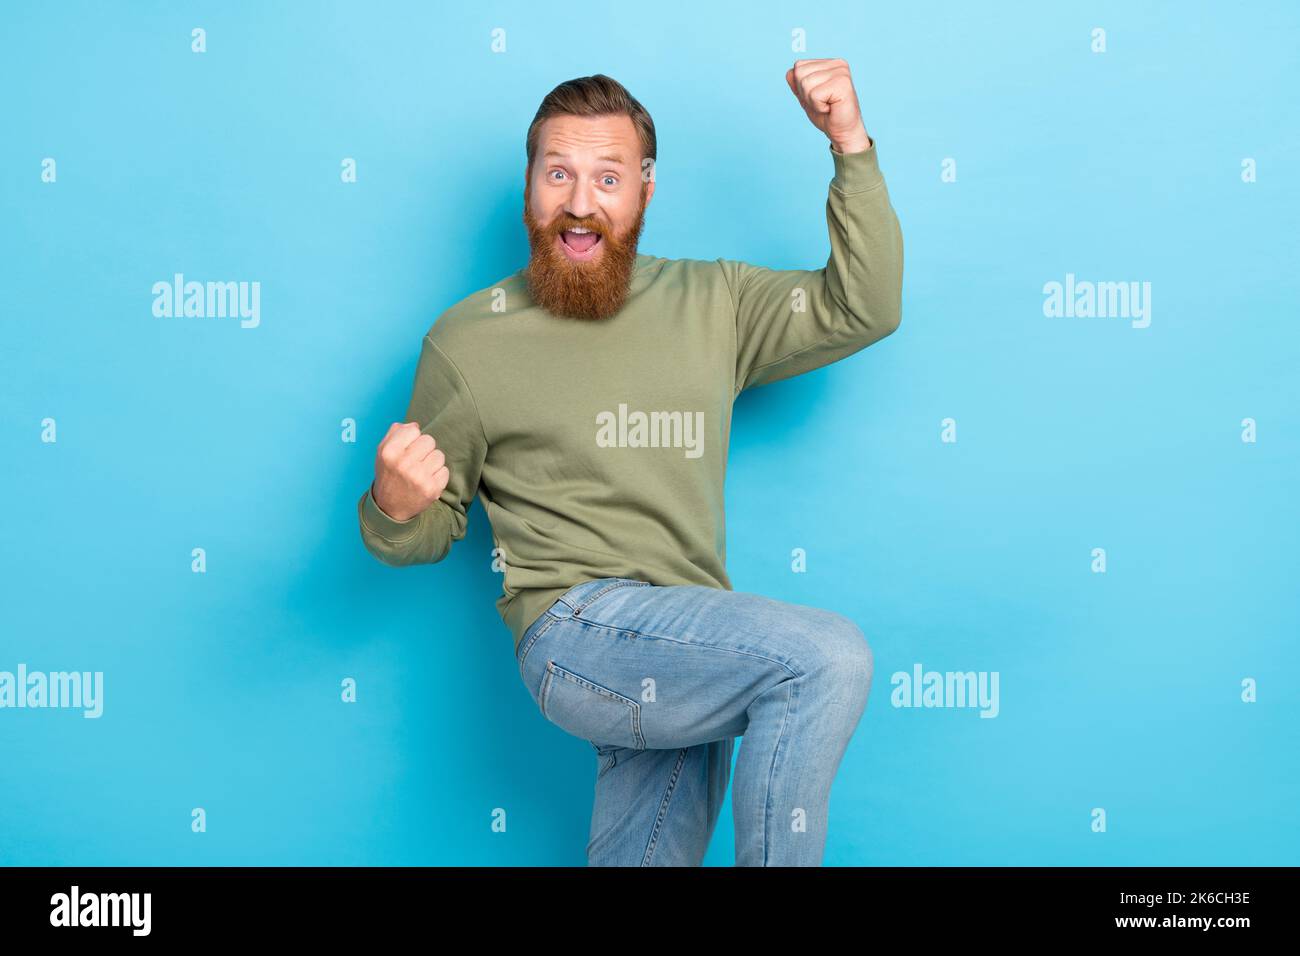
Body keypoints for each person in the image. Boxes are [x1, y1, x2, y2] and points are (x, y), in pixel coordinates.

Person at [357, 59, 904, 866]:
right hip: (572, 635)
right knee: (824, 658)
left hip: (686, 641)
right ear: (528, 192)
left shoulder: (713, 302)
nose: (580, 202)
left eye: (607, 177)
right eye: (559, 175)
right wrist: (393, 505)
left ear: (645, 192)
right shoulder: (469, 339)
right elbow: (427, 525)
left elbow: (865, 306)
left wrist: (850, 145)